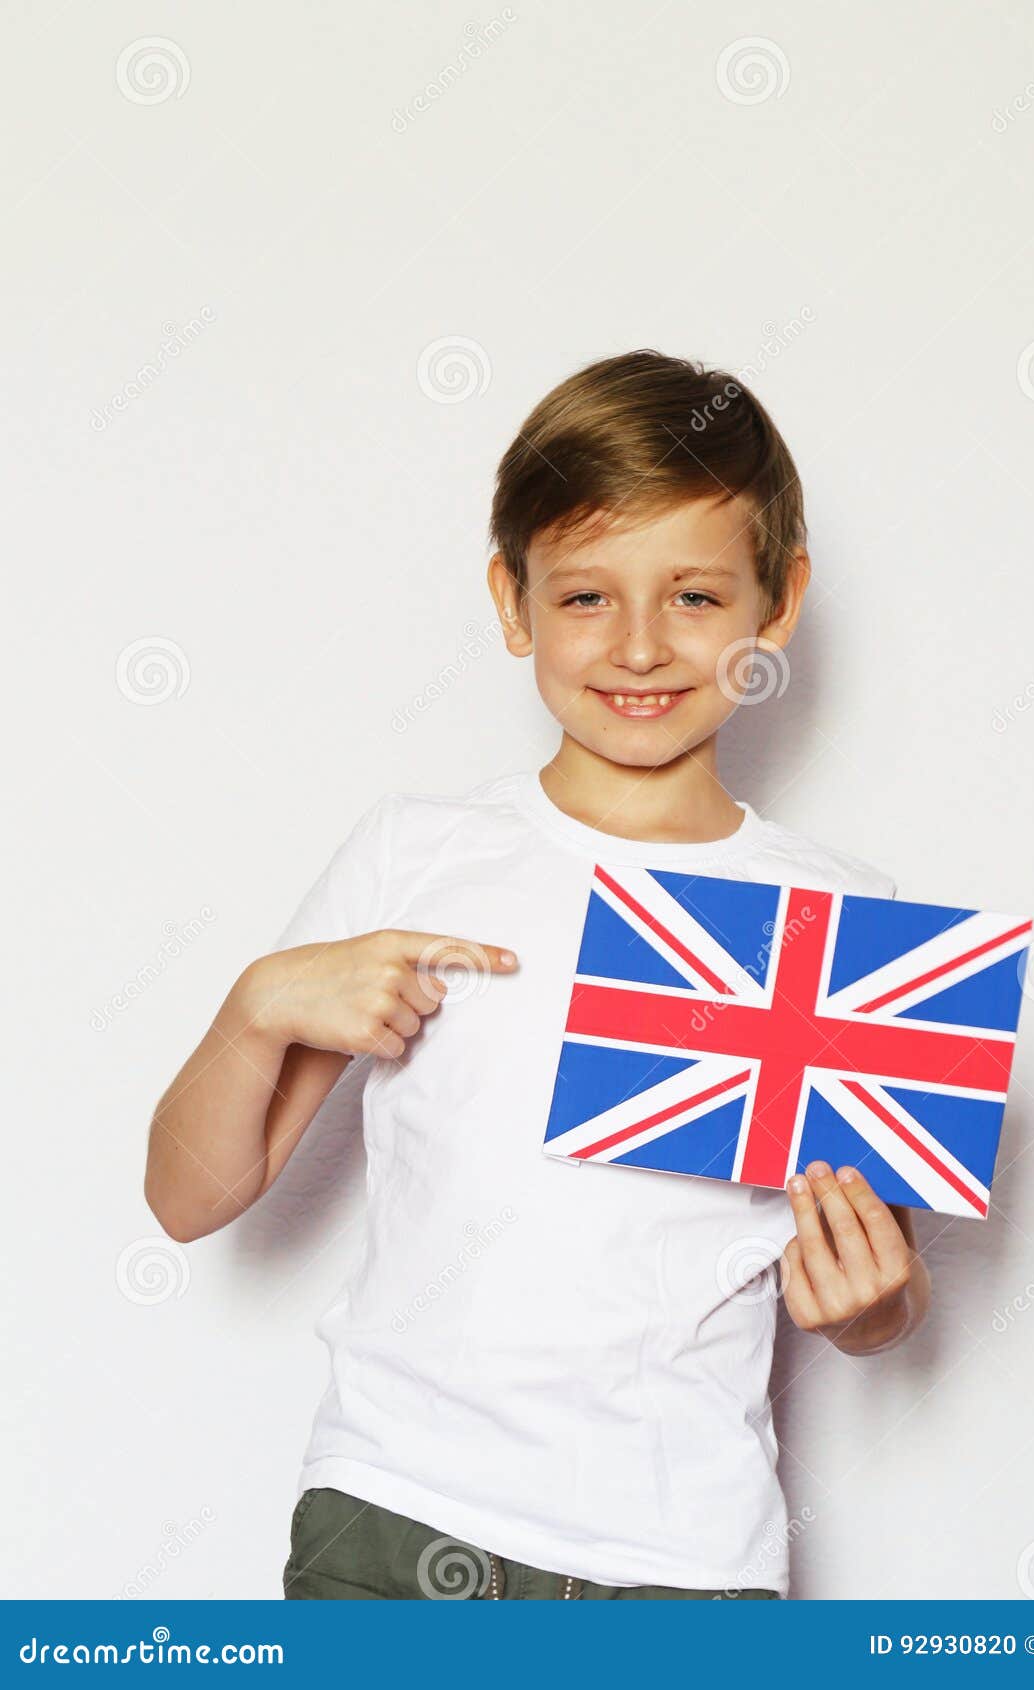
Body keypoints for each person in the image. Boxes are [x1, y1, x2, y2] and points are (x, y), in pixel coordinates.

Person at [144, 349, 931, 1601]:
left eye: (691, 596)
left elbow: (870, 1285)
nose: (636, 645)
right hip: (395, 1521)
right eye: (581, 598)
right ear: (510, 601)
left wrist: (868, 1311)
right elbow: (189, 1201)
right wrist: (256, 1008)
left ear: (775, 605)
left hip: (685, 1561)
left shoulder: (842, 920)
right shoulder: (416, 853)